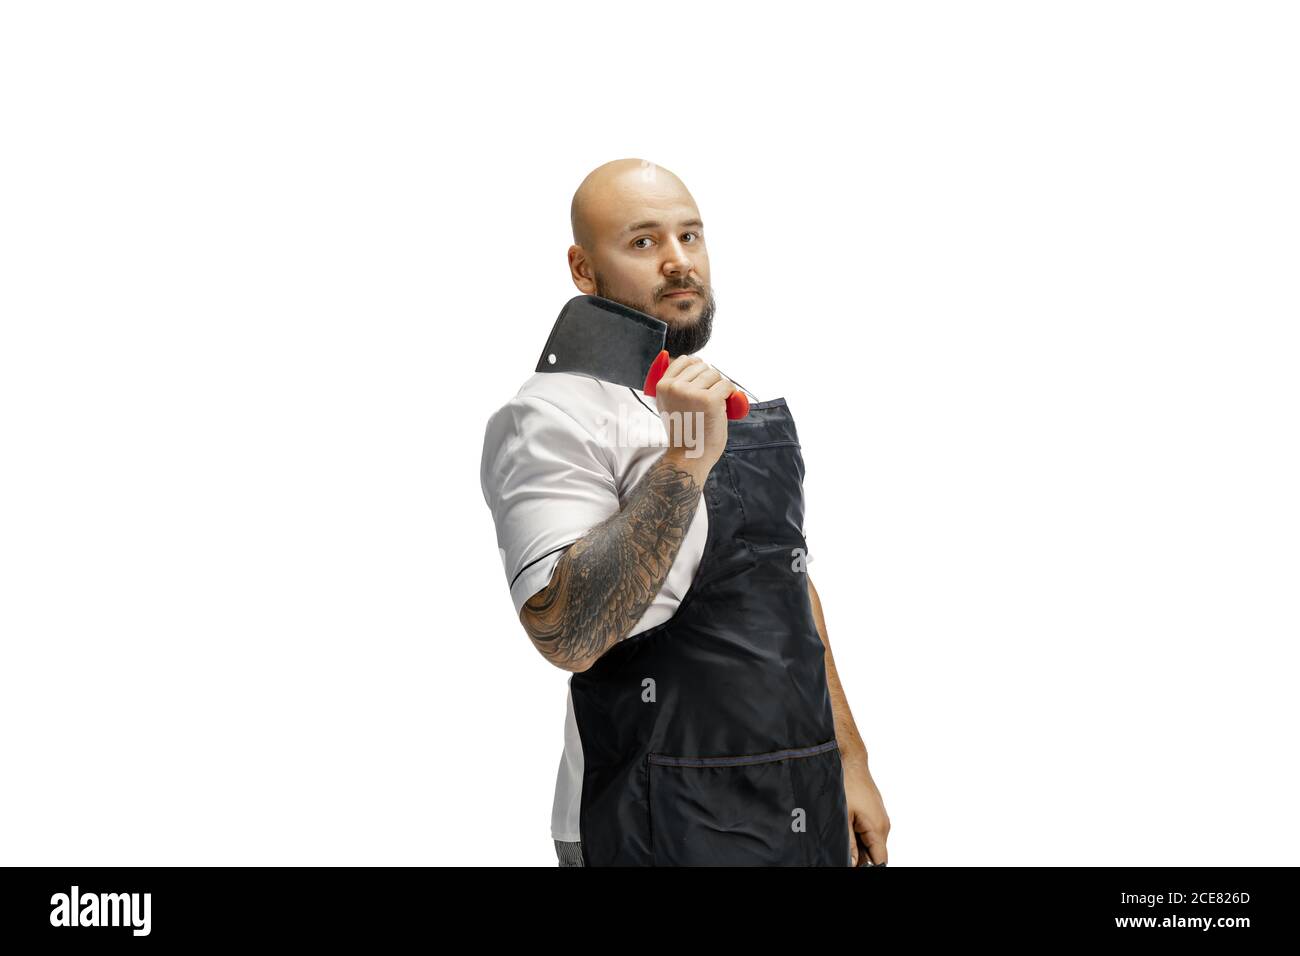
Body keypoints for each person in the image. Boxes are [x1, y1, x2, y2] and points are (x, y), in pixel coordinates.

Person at [479, 158, 889, 866]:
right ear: (582, 268)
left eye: (690, 237)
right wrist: (685, 462)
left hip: (798, 795)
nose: (678, 263)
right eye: (643, 243)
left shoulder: (725, 393)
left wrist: (846, 758)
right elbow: (567, 634)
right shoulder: (548, 416)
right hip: (652, 813)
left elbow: (780, 579)